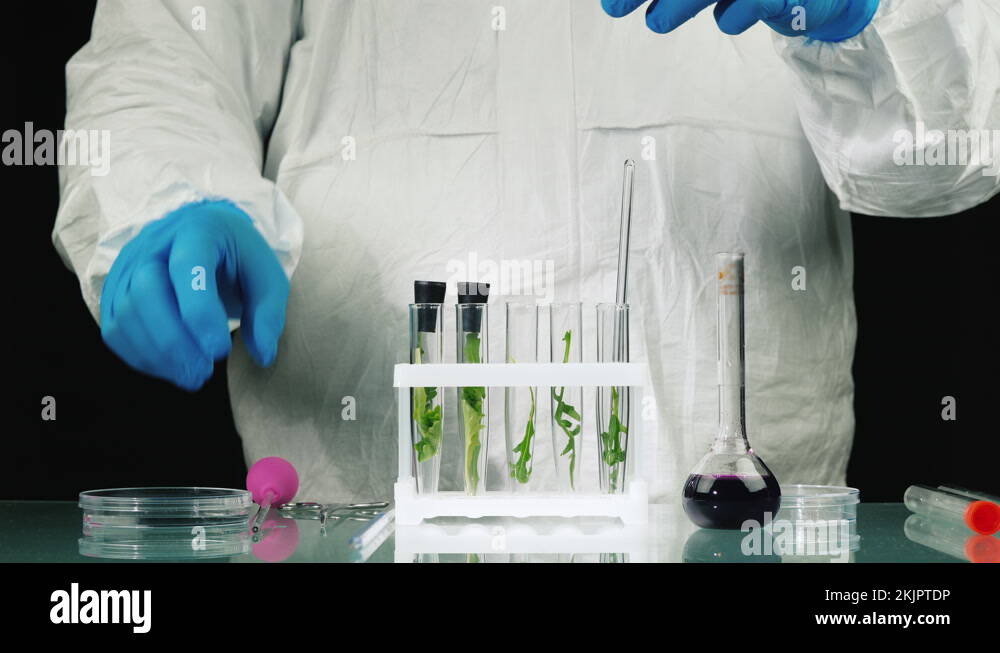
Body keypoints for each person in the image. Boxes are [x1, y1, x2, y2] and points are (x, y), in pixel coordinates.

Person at [53, 0, 999, 502]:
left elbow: (950, 145)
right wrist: (165, 198)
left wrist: (875, 12)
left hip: (729, 522)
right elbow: (169, 50)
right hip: (362, 515)